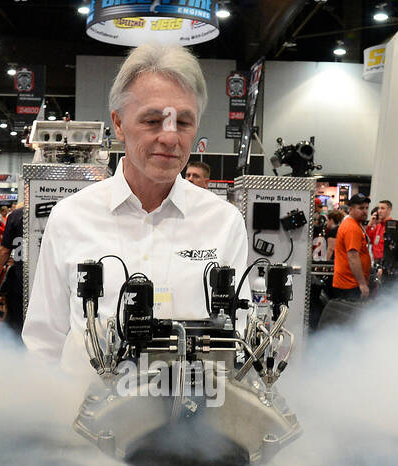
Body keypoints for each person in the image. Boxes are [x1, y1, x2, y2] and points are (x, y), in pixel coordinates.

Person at [21, 43, 248, 366]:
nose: (170, 138)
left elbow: (236, 336)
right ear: (118, 124)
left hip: (191, 413)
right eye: (153, 121)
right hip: (85, 412)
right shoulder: (70, 218)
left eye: (183, 122)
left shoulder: (223, 222)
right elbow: (44, 342)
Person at [0, 205, 26, 336]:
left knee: (17, 327)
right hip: (51, 282)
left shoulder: (16, 216)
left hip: (21, 281)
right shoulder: (61, 212)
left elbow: (4, 251)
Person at [330, 193, 372, 301]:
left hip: (350, 282)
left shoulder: (355, 225)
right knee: (352, 317)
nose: (365, 211)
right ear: (351, 209)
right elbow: (353, 256)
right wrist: (362, 284)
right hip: (350, 284)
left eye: (366, 208)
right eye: (361, 208)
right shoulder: (351, 228)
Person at [366, 199, 392, 282]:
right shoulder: (378, 226)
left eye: (383, 208)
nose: (379, 211)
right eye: (379, 208)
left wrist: (384, 267)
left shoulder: (391, 226)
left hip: (385, 264)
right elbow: (367, 238)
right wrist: (370, 224)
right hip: (376, 262)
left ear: (389, 210)